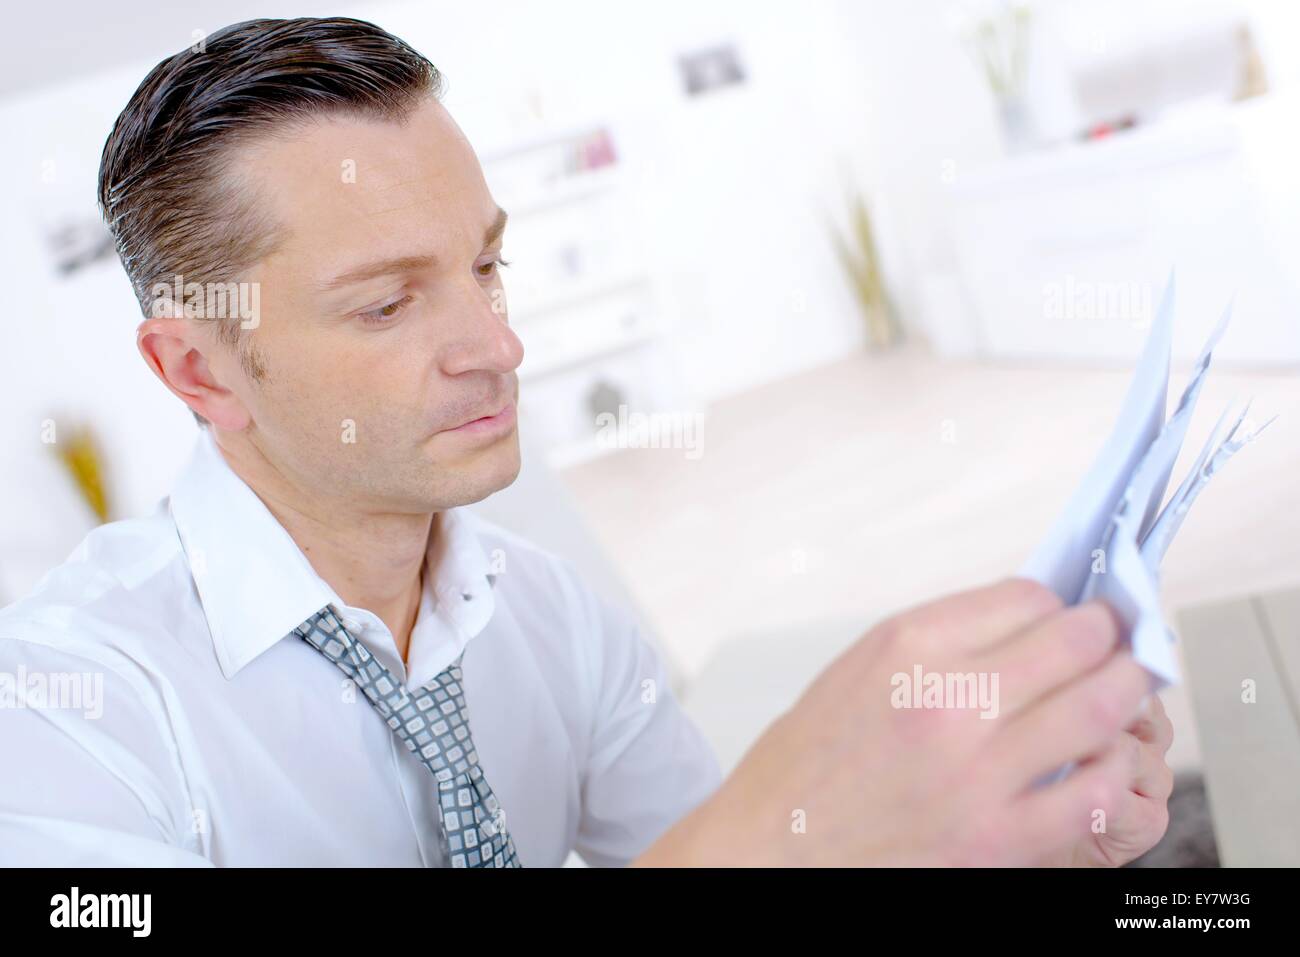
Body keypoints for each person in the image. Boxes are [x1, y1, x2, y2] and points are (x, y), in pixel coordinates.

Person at [0, 17, 1171, 868]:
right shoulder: (67, 710)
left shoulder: (553, 620)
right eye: (385, 305)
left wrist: (998, 834)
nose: (498, 348)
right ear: (199, 370)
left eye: (483, 266)